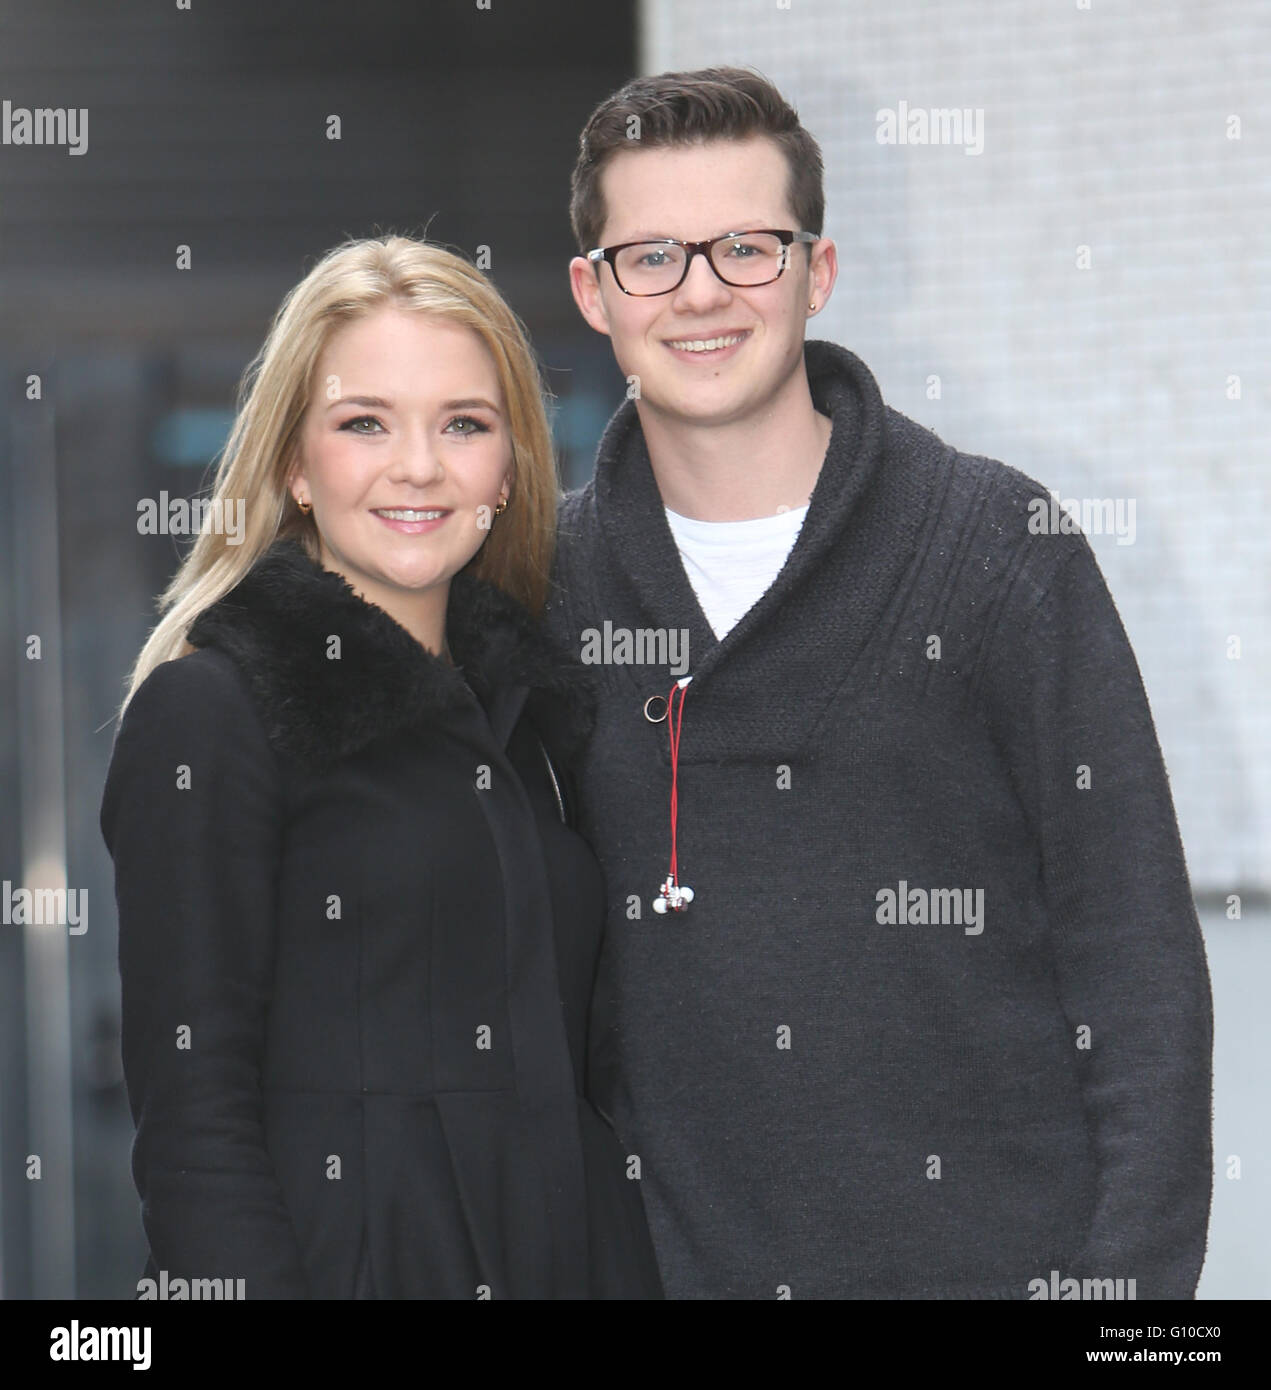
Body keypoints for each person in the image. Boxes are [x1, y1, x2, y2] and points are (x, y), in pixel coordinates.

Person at [548, 67, 1214, 1299]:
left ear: (818, 270)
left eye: (745, 246)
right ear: (594, 292)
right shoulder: (545, 588)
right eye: (651, 256)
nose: (700, 291)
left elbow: (1136, 964)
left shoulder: (997, 548)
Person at [100, 235, 663, 1300]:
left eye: (464, 424)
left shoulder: (536, 722)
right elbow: (192, 1135)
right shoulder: (212, 711)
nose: (419, 467)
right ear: (293, 465)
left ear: (507, 468)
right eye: (365, 423)